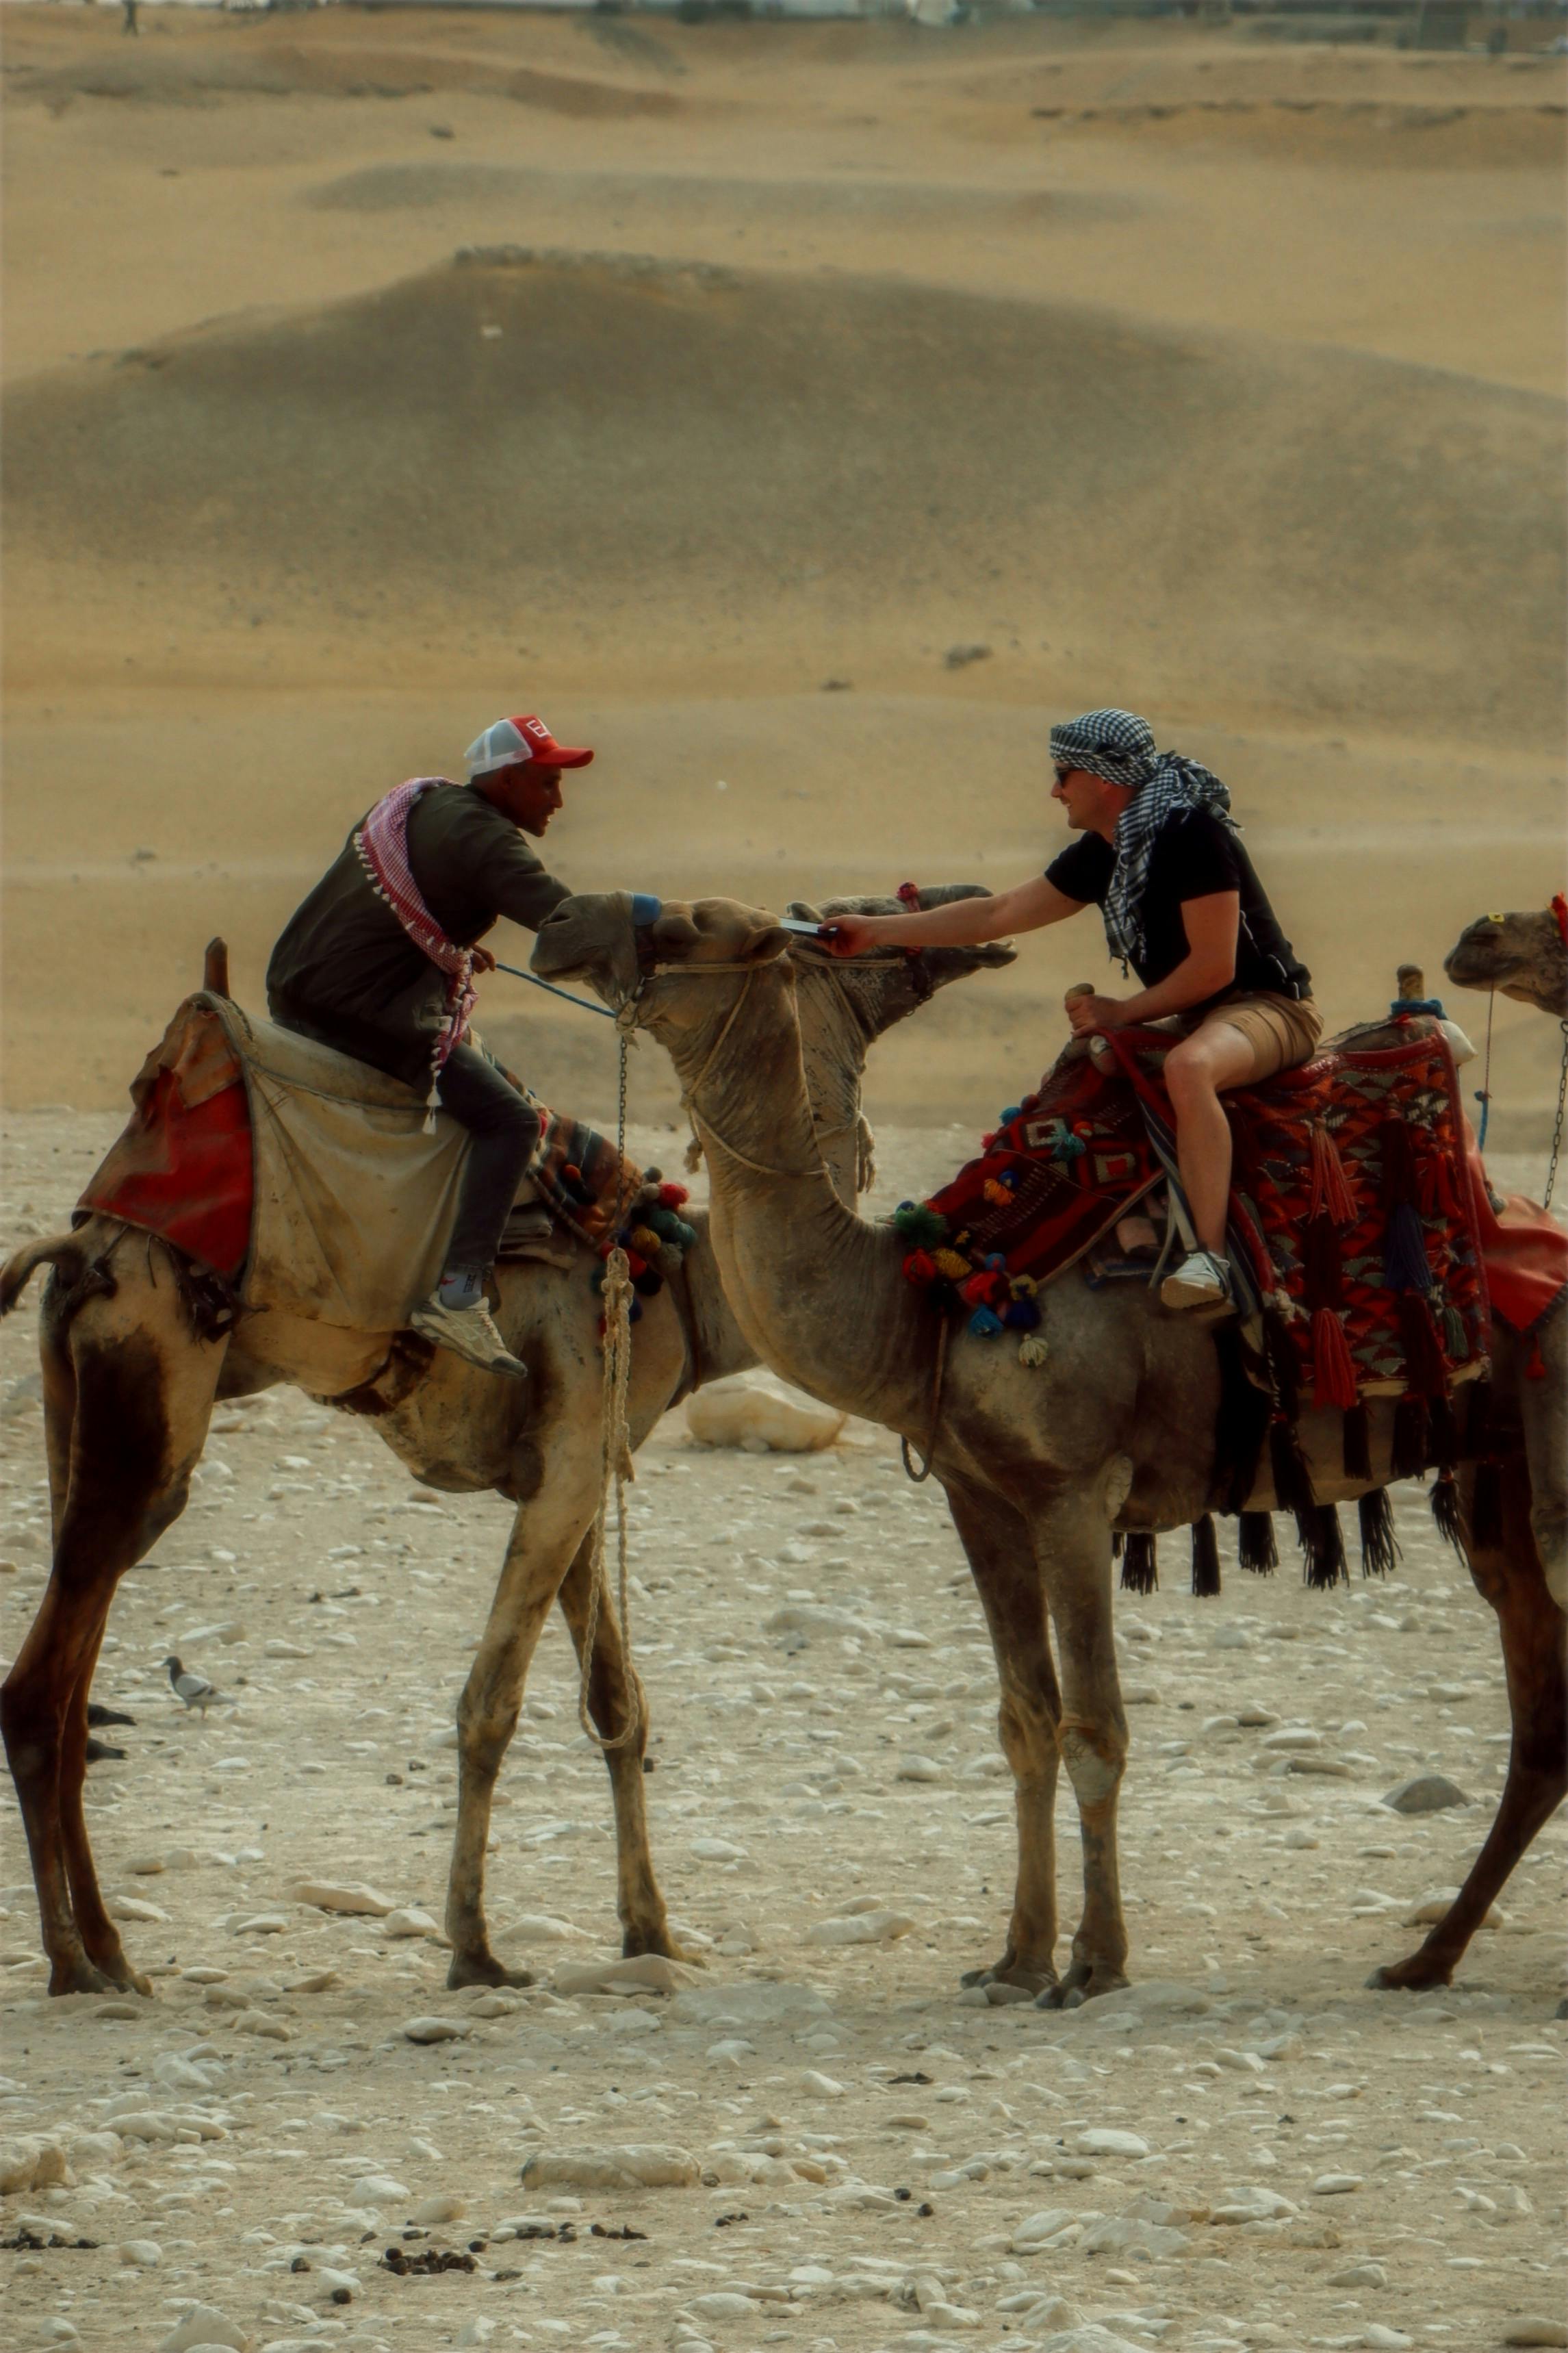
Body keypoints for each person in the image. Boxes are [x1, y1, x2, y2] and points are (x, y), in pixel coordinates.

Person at [823, 707, 1320, 1314]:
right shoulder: (1105, 850)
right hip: (1192, 1015)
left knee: (1190, 1068)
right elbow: (997, 915)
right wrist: (875, 933)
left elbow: (1214, 970)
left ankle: (1209, 1261)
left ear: (1102, 778)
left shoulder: (1191, 835)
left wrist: (1123, 1010)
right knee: (1082, 1070)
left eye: (1063, 774)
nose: (1053, 790)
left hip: (1263, 1009)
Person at [268, 714, 598, 1377]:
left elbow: (398, 898)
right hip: (363, 1012)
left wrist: (447, 945)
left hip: (299, 983)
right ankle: (458, 1292)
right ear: (506, 780)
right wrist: (652, 933)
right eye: (546, 783)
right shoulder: (484, 840)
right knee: (508, 1120)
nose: (557, 800)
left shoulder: (425, 801)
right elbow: (566, 921)